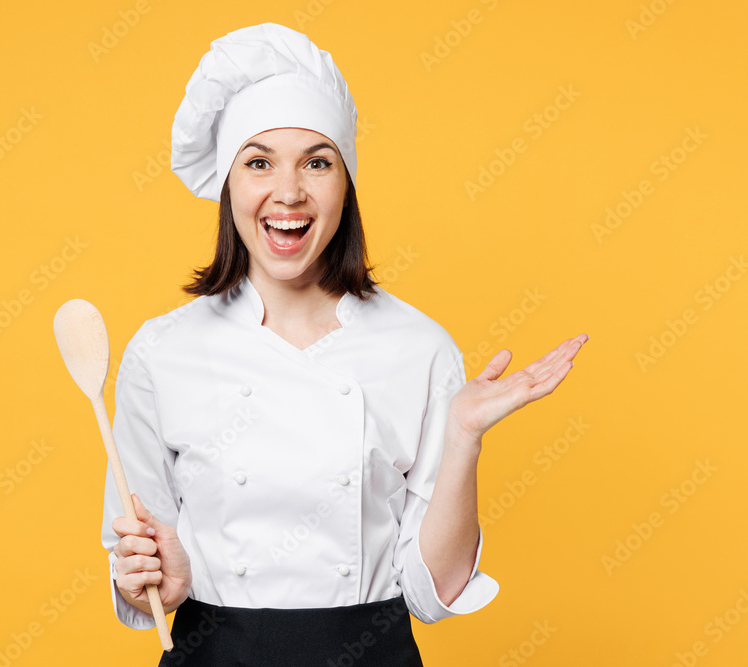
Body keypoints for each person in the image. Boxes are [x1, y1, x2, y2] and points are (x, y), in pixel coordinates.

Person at [101, 22, 588, 666]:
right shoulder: (161, 353)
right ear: (228, 185)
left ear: (346, 183)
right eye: (258, 162)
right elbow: (143, 587)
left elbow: (432, 592)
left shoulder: (420, 348)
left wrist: (464, 434)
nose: (289, 191)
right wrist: (153, 580)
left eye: (317, 161)